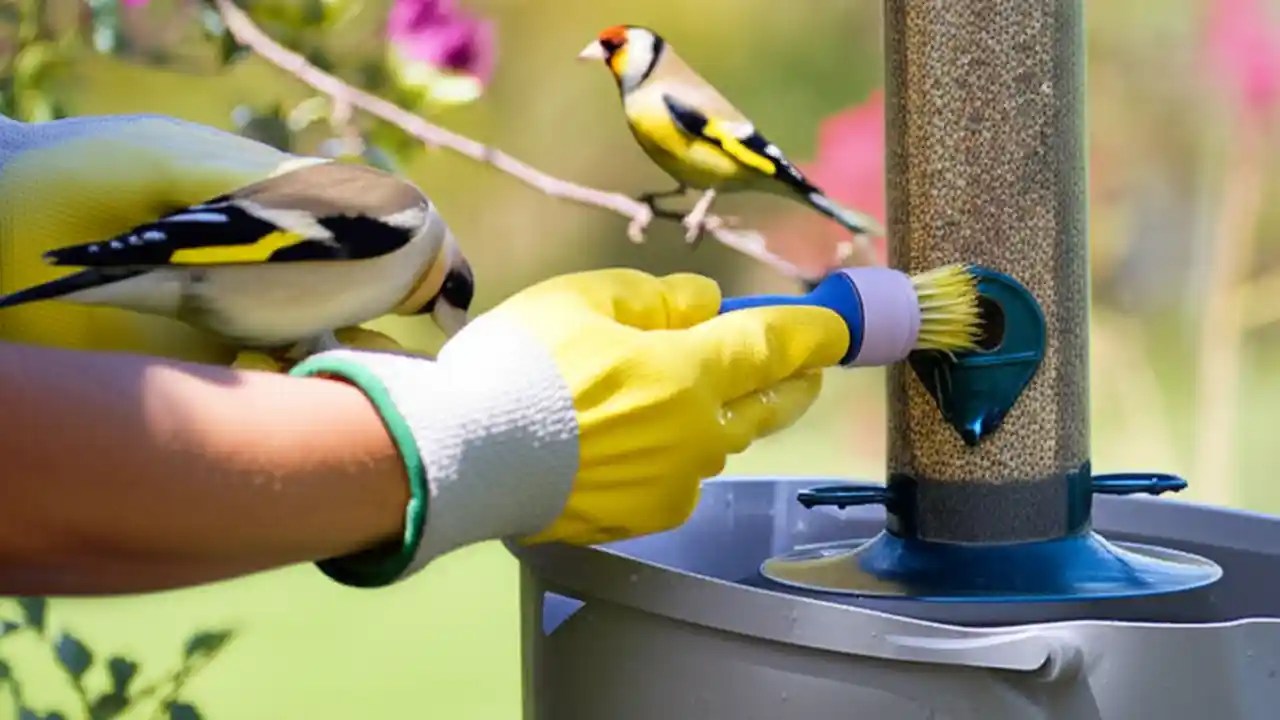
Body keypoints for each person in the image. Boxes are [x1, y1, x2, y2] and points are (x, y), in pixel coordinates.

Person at [0, 113, 847, 596]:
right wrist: (473, 434)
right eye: (449, 307)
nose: (441, 322)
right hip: (197, 270)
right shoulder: (402, 223)